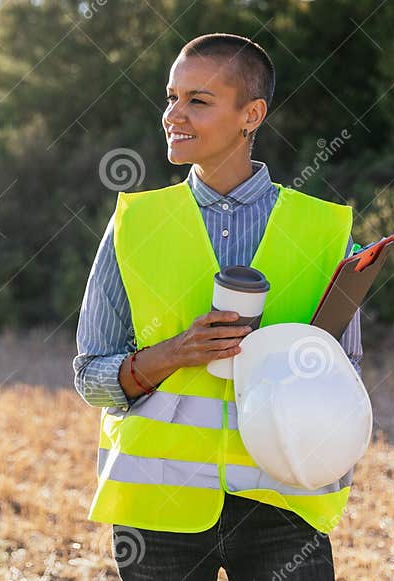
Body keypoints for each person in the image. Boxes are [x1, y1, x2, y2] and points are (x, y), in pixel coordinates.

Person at [73, 33, 363, 580]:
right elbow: (91, 376)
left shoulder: (324, 231)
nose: (173, 114)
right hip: (158, 506)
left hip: (285, 502)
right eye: (171, 96)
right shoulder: (134, 225)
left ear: (251, 114)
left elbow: (345, 379)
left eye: (197, 101)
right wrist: (173, 354)